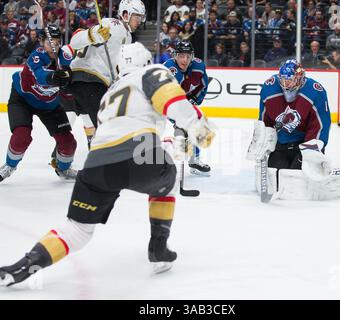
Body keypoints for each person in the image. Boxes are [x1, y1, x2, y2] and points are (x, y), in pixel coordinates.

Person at [0, 42, 215, 286]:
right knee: (168, 181)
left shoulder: (110, 93)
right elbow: (173, 104)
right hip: (138, 153)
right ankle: (158, 248)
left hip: (97, 163)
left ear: (118, 67)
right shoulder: (155, 72)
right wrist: (199, 130)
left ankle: (23, 266)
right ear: (146, 62)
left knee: (77, 231)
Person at [247, 59, 340, 200]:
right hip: (281, 143)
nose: (286, 84)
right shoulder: (269, 88)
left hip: (304, 145)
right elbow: (264, 120)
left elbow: (322, 124)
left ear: (300, 78)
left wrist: (313, 149)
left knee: (299, 179)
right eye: (283, 80)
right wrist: (262, 141)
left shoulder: (315, 91)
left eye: (290, 80)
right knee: (276, 174)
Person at [0, 25, 77, 182]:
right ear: (42, 43)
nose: (53, 46)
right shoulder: (36, 56)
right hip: (23, 99)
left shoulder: (65, 58)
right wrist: (55, 76)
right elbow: (41, 76)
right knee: (21, 136)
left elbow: (77, 69)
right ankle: (9, 166)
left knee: (68, 142)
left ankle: (63, 169)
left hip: (49, 105)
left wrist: (71, 76)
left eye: (56, 42)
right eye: (50, 42)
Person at [67, 0, 146, 143]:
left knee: (87, 121)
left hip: (80, 79)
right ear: (125, 14)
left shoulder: (126, 35)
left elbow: (116, 65)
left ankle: (62, 159)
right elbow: (75, 41)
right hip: (90, 79)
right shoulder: (114, 25)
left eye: (141, 17)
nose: (139, 21)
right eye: (137, 16)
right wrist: (94, 34)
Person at [164, 40, 211, 176]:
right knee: (182, 131)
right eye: (181, 56)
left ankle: (193, 160)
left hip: (187, 102)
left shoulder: (198, 66)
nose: (184, 60)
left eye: (187, 56)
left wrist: (195, 100)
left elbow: (203, 85)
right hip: (167, 103)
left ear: (192, 56)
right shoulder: (168, 69)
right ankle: (165, 161)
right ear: (175, 56)